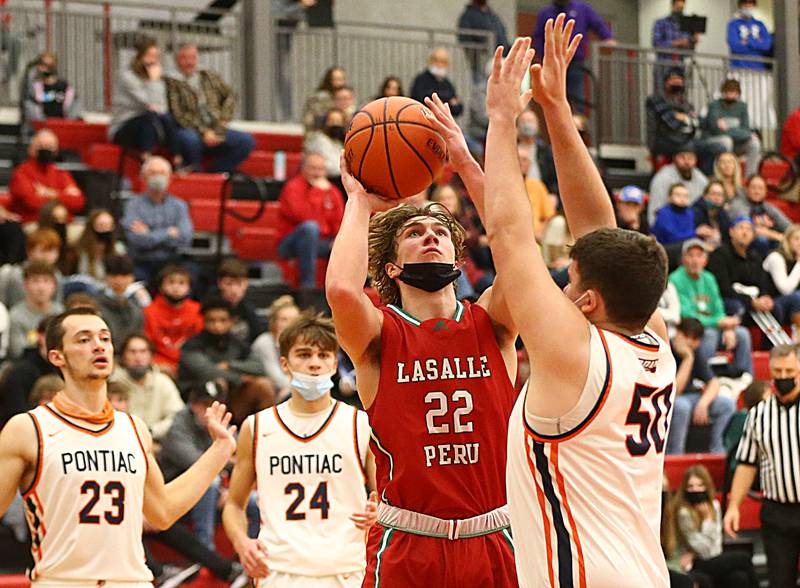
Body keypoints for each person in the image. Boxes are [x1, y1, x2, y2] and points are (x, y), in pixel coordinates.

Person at [484, 22, 675, 586]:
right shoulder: (655, 339)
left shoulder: (574, 354)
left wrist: (501, 119)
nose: (561, 292)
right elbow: (599, 231)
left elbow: (509, 236)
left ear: (588, 301)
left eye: (568, 282)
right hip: (646, 572)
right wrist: (557, 110)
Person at [327, 90, 520, 583]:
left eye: (441, 232)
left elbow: (518, 249)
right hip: (409, 539)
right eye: (414, 233)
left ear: (458, 258)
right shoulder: (379, 335)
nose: (430, 235)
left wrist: (464, 161)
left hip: (495, 533)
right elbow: (342, 290)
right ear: (392, 267)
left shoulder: (492, 322)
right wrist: (358, 201)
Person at [0, 307, 237, 586]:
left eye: (105, 338)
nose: (98, 346)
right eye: (84, 339)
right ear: (57, 356)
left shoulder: (134, 429)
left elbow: (163, 511)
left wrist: (219, 451)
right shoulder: (28, 429)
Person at [223, 312, 379, 586]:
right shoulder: (257, 427)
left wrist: (378, 510)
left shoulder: (360, 423)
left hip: (345, 569)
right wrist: (242, 542)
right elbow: (234, 504)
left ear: (334, 364)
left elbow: (387, 497)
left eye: (323, 355)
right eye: (304, 355)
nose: (314, 363)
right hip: (277, 570)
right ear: (285, 363)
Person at [724, 344, 800, 588]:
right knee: (780, 581)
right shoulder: (758, 414)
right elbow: (746, 464)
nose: (784, 376)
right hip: (777, 511)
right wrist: (734, 506)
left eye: (790, 371)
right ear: (770, 371)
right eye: (778, 371)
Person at [177, 298, 274, 424]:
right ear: (204, 321)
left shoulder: (238, 343)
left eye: (223, 320)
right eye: (212, 320)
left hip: (234, 398)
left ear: (231, 322)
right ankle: (211, 429)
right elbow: (207, 372)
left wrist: (230, 365)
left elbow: (260, 367)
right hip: (199, 396)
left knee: (263, 384)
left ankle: (267, 430)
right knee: (217, 383)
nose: (217, 325)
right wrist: (240, 378)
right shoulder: (192, 345)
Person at [670, 238, 753, 382]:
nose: (695, 260)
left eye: (699, 256)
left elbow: (718, 307)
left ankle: (743, 378)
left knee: (742, 334)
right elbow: (686, 314)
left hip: (714, 326)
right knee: (710, 334)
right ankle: (704, 378)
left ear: (705, 260)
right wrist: (718, 323)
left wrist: (727, 327)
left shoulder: (709, 278)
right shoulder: (675, 279)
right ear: (683, 259)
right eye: (691, 255)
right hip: (690, 330)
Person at [165, 43, 255, 174]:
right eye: (185, 58)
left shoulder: (208, 76)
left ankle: (215, 172)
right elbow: (178, 113)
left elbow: (230, 95)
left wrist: (222, 122)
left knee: (246, 141)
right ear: (177, 60)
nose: (190, 62)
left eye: (193, 57)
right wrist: (204, 131)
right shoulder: (170, 82)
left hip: (215, 126)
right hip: (189, 128)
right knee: (189, 139)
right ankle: (196, 173)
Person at [667, 465, 757, 587]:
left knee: (739, 577)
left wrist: (693, 552)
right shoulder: (684, 512)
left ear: (707, 486)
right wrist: (707, 520)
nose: (695, 490)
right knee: (743, 558)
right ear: (685, 489)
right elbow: (703, 550)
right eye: (690, 486)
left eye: (700, 485)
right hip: (696, 564)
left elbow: (716, 546)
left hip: (713, 558)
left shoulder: (714, 506)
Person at [708, 216, 800, 328]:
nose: (745, 232)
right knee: (738, 306)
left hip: (753, 297)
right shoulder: (719, 255)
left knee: (775, 308)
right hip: (729, 299)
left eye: (749, 229)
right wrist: (750, 302)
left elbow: (763, 284)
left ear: (753, 235)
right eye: (741, 228)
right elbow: (723, 288)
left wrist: (765, 296)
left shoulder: (755, 256)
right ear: (731, 231)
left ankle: (773, 341)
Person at [666, 316, 737, 455]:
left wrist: (703, 403)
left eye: (696, 339)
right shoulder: (666, 351)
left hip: (692, 397)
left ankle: (717, 451)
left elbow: (714, 382)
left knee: (726, 404)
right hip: (671, 400)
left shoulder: (696, 351)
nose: (691, 343)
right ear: (678, 334)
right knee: (682, 407)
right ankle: (675, 454)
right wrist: (688, 359)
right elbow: (674, 392)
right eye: (688, 337)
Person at [277, 151, 344, 290]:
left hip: (322, 243)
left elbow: (339, 222)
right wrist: (318, 192)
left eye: (320, 169)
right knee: (310, 229)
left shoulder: (333, 192)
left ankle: (343, 289)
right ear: (303, 168)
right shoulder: (293, 187)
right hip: (291, 243)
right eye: (313, 168)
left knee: (348, 242)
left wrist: (337, 241)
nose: (317, 173)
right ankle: (307, 286)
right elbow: (304, 216)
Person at [532, 0, 615, 114]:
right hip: (553, 64)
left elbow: (598, 23)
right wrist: (543, 58)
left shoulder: (582, 8)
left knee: (577, 95)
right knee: (554, 96)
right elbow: (538, 38)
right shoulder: (545, 13)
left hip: (576, 61)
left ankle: (577, 120)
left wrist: (607, 37)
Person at [121, 156, 193, 285]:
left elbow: (185, 239)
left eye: (162, 173)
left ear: (170, 178)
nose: (158, 177)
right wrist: (168, 232)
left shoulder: (180, 206)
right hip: (141, 261)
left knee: (190, 274)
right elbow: (136, 240)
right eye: (153, 173)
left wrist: (149, 234)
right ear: (143, 177)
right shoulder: (133, 204)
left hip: (172, 261)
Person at [646, 70, 726, 176]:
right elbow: (673, 124)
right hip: (664, 141)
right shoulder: (656, 99)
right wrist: (689, 120)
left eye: (680, 80)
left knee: (719, 147)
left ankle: (703, 178)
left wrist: (685, 118)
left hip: (686, 140)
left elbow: (701, 123)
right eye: (674, 80)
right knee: (689, 147)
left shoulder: (685, 102)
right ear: (666, 83)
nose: (677, 82)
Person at [109, 38, 177, 158]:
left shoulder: (158, 79)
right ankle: (146, 157)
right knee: (148, 118)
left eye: (156, 56)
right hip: (124, 127)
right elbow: (148, 102)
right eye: (149, 56)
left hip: (152, 123)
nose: (153, 60)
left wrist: (155, 81)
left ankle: (177, 158)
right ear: (139, 57)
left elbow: (162, 107)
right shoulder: (127, 77)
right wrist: (153, 81)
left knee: (168, 119)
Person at [110, 333, 184, 442]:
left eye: (143, 351)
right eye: (132, 352)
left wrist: (150, 432)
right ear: (123, 356)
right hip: (120, 440)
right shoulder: (112, 382)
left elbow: (178, 416)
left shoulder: (162, 382)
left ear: (151, 356)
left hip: (157, 441)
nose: (138, 357)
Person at [9, 129, 85, 224]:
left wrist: (50, 193)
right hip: (34, 223)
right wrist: (63, 195)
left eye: (50, 147)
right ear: (30, 149)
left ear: (56, 151)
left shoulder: (61, 173)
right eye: (41, 146)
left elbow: (78, 202)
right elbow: (32, 202)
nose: (45, 150)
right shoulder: (21, 173)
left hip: (64, 224)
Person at [143, 264, 203, 377]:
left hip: (191, 363)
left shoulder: (198, 310)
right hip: (159, 365)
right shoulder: (148, 312)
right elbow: (146, 345)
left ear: (189, 288)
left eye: (181, 283)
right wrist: (155, 364)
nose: (176, 287)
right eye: (171, 282)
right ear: (161, 287)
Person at [727, 0, 774, 132]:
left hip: (758, 70)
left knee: (759, 103)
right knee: (741, 100)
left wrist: (748, 41)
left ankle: (756, 129)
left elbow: (767, 45)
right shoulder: (733, 25)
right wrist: (756, 42)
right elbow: (735, 46)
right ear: (740, 6)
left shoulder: (760, 25)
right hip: (739, 69)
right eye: (745, 5)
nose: (748, 8)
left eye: (750, 5)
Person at [0, 317, 58, 423]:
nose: (57, 343)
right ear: (40, 336)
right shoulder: (20, 372)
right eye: (52, 337)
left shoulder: (68, 369)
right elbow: (16, 416)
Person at [702, 79, 761, 176]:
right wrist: (742, 133)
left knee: (754, 143)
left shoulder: (742, 107)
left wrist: (729, 129)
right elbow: (716, 130)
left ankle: (750, 176)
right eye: (728, 91)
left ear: (738, 93)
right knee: (727, 140)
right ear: (723, 92)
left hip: (737, 143)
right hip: (716, 141)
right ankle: (726, 174)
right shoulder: (714, 106)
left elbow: (746, 129)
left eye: (734, 92)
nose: (731, 94)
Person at [251, 295, 301, 403]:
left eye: (294, 320)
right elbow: (277, 378)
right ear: (274, 322)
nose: (290, 324)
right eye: (284, 320)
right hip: (265, 391)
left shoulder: (302, 342)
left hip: (288, 389)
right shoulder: (264, 342)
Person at [8, 261, 63, 359]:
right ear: (26, 285)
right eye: (35, 281)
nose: (41, 287)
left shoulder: (60, 312)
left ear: (54, 285)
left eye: (46, 281)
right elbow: (17, 351)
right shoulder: (16, 315)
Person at [0, 227, 63, 309]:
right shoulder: (13, 273)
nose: (48, 255)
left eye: (53, 251)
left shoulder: (56, 274)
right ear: (29, 251)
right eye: (43, 250)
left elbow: (57, 303)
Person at [23, 51, 82, 134]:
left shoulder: (66, 88)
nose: (43, 68)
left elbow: (74, 112)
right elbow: (33, 113)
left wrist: (65, 127)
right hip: (41, 132)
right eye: (41, 64)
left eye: (48, 65)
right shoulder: (34, 88)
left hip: (63, 130)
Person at [729, 174, 790, 253]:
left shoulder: (767, 206)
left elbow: (788, 226)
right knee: (761, 240)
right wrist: (776, 236)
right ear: (747, 189)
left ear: (765, 191)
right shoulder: (738, 204)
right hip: (745, 245)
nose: (757, 192)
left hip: (771, 243)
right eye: (753, 188)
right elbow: (746, 228)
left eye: (761, 188)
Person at [648, 147, 708, 226]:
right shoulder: (662, 178)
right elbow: (654, 212)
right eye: (682, 157)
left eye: (690, 158)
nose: (687, 162)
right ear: (674, 158)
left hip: (692, 225)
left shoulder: (701, 179)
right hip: (668, 225)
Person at [213, 257, 265, 347]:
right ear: (219, 283)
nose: (234, 290)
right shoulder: (209, 308)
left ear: (246, 284)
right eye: (228, 284)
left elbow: (257, 338)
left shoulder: (249, 309)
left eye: (239, 283)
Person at [63, 208, 124, 284]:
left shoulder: (118, 250)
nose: (105, 229)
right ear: (92, 227)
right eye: (101, 225)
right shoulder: (78, 251)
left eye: (109, 226)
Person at [96, 255, 145, 348]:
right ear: (106, 277)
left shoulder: (138, 303)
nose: (119, 281)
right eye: (114, 276)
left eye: (124, 276)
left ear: (132, 278)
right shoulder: (96, 303)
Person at [457, 0, 510, 86]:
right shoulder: (467, 16)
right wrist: (481, 53)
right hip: (481, 62)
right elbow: (465, 39)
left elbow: (503, 36)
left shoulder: (493, 15)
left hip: (500, 60)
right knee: (482, 88)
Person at [652, 0, 701, 81]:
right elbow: (656, 43)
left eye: (682, 8)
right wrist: (675, 43)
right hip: (663, 63)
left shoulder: (685, 26)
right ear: (672, 6)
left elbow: (689, 51)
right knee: (661, 88)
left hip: (679, 65)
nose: (680, 11)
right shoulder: (661, 23)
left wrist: (693, 40)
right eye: (678, 8)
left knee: (679, 88)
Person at [410, 48, 463, 118]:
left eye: (443, 62)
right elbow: (421, 100)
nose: (439, 64)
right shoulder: (421, 80)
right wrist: (447, 100)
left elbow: (458, 108)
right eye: (436, 60)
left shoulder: (447, 83)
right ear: (430, 61)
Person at [516, 109, 558, 194]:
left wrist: (553, 194)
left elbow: (554, 179)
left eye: (530, 121)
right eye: (523, 121)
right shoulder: (511, 151)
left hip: (542, 195)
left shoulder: (546, 152)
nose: (527, 125)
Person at [518, 146, 555, 242]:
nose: (520, 163)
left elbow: (548, 215)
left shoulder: (537, 186)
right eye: (518, 159)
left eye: (524, 160)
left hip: (535, 236)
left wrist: (540, 232)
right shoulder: (505, 187)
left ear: (529, 164)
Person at [303, 107, 346, 178]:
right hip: (322, 178)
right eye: (332, 121)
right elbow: (332, 167)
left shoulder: (340, 142)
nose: (335, 124)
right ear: (325, 122)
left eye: (338, 121)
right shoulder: (320, 139)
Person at [302, 66, 347, 133]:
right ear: (330, 80)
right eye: (337, 79)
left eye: (342, 79)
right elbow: (312, 121)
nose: (340, 83)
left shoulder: (345, 96)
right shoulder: (320, 98)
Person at [763, 224, 800, 301]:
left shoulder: (795, 258)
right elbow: (786, 290)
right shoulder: (776, 257)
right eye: (797, 239)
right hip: (770, 300)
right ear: (787, 240)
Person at [692, 179, 731, 248]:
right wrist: (696, 232)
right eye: (713, 194)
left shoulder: (723, 214)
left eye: (720, 195)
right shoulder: (695, 211)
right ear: (705, 196)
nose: (717, 198)